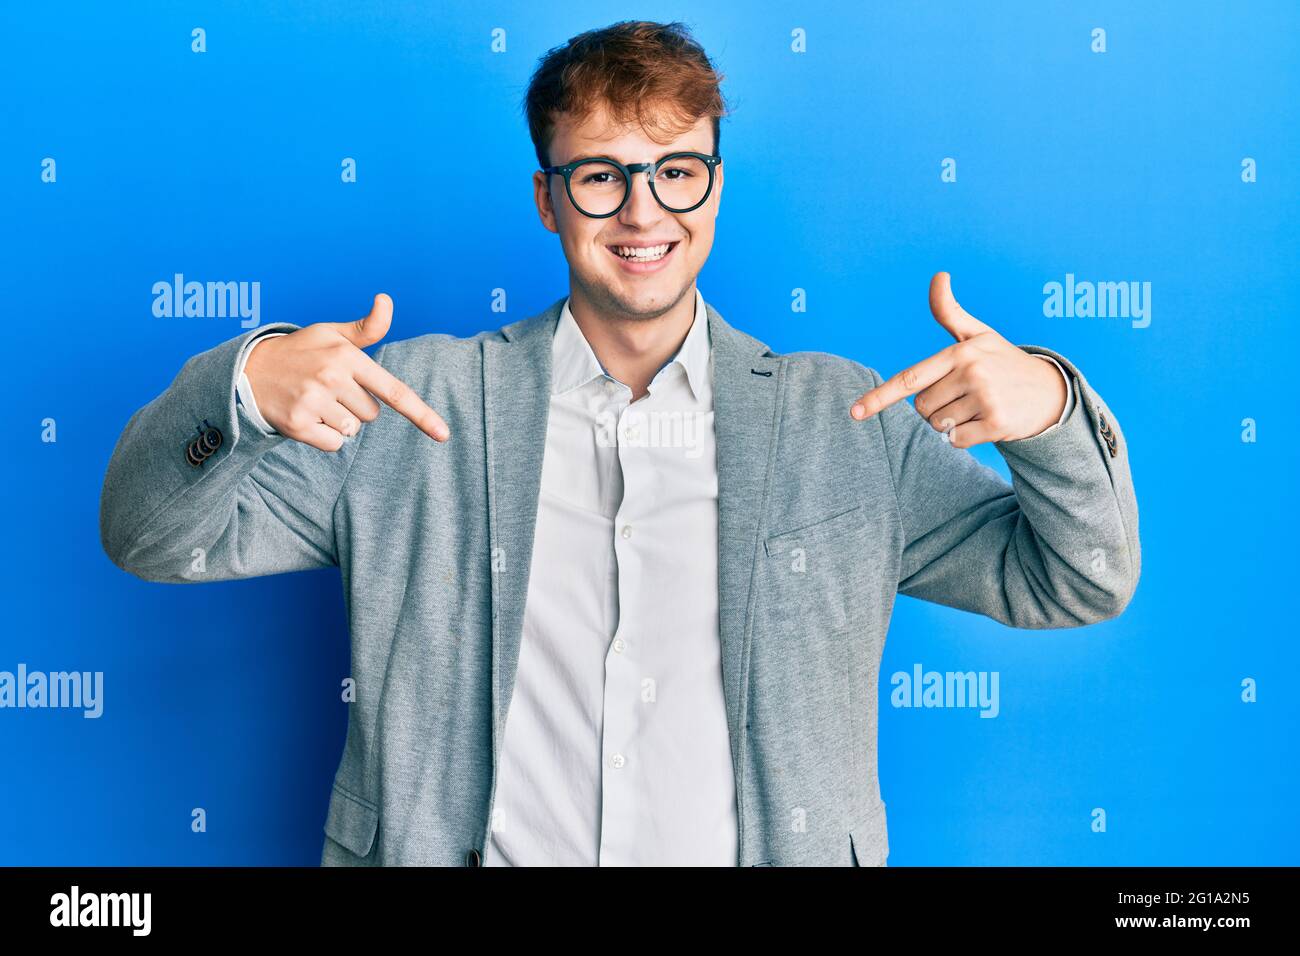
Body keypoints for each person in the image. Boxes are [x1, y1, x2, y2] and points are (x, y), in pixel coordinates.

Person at [99, 20, 1139, 867]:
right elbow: (148, 538)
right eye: (600, 176)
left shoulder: (844, 418)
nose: (643, 210)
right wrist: (235, 387)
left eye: (675, 171)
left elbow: (1079, 579)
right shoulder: (406, 405)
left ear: (714, 189)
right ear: (549, 198)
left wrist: (1048, 409)